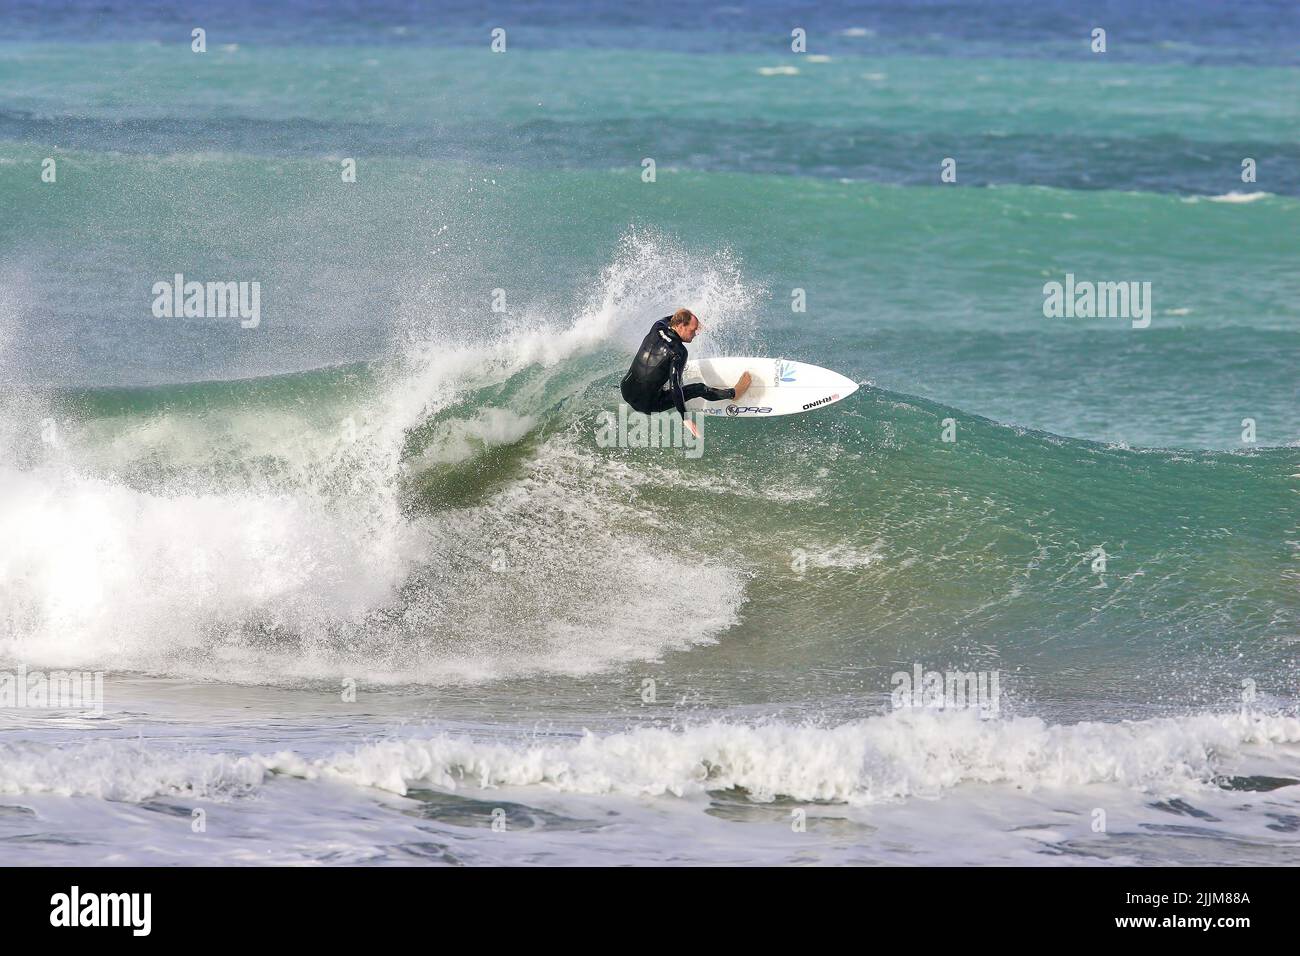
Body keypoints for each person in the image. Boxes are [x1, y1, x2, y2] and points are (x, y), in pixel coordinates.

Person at [619, 309, 751, 439]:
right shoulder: (678, 352)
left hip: (625, 389)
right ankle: (734, 394)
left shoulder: (658, 325)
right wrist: (685, 418)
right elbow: (675, 386)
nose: (696, 333)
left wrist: (693, 321)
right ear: (681, 326)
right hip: (647, 405)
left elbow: (672, 318)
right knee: (698, 388)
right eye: (693, 330)